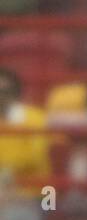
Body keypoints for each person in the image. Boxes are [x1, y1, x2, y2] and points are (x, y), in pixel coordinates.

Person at [0, 66, 51, 194]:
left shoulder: (36, 119)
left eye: (5, 92)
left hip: (32, 193)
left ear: (16, 94)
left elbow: (35, 156)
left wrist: (6, 170)